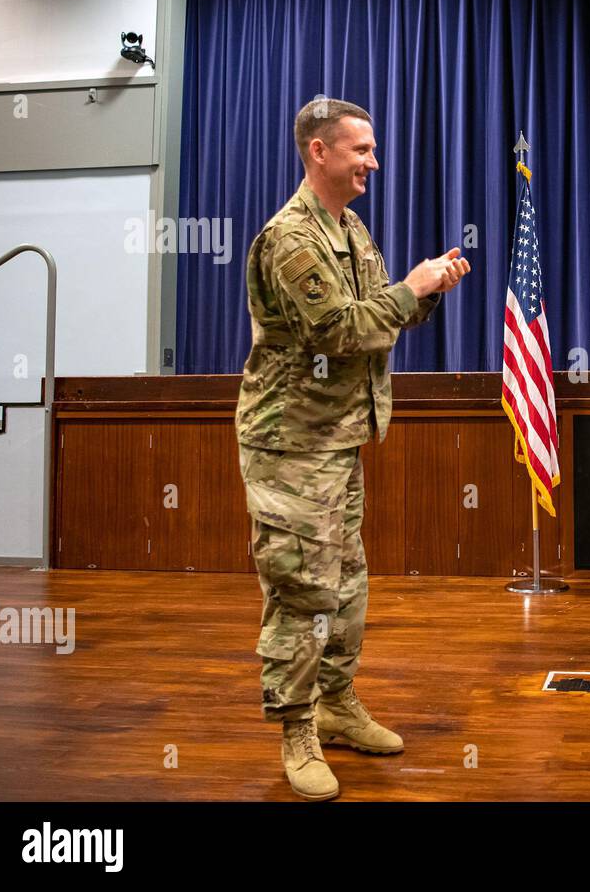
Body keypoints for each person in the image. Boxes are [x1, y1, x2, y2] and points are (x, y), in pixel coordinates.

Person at [236, 97, 470, 800]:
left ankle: (336, 706)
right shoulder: (292, 239)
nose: (373, 161)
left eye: (372, 149)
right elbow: (335, 332)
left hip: (337, 440)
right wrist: (412, 288)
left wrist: (426, 292)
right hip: (291, 442)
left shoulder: (351, 228)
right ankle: (296, 729)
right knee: (302, 591)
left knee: (348, 588)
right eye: (361, 150)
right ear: (320, 151)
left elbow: (376, 319)